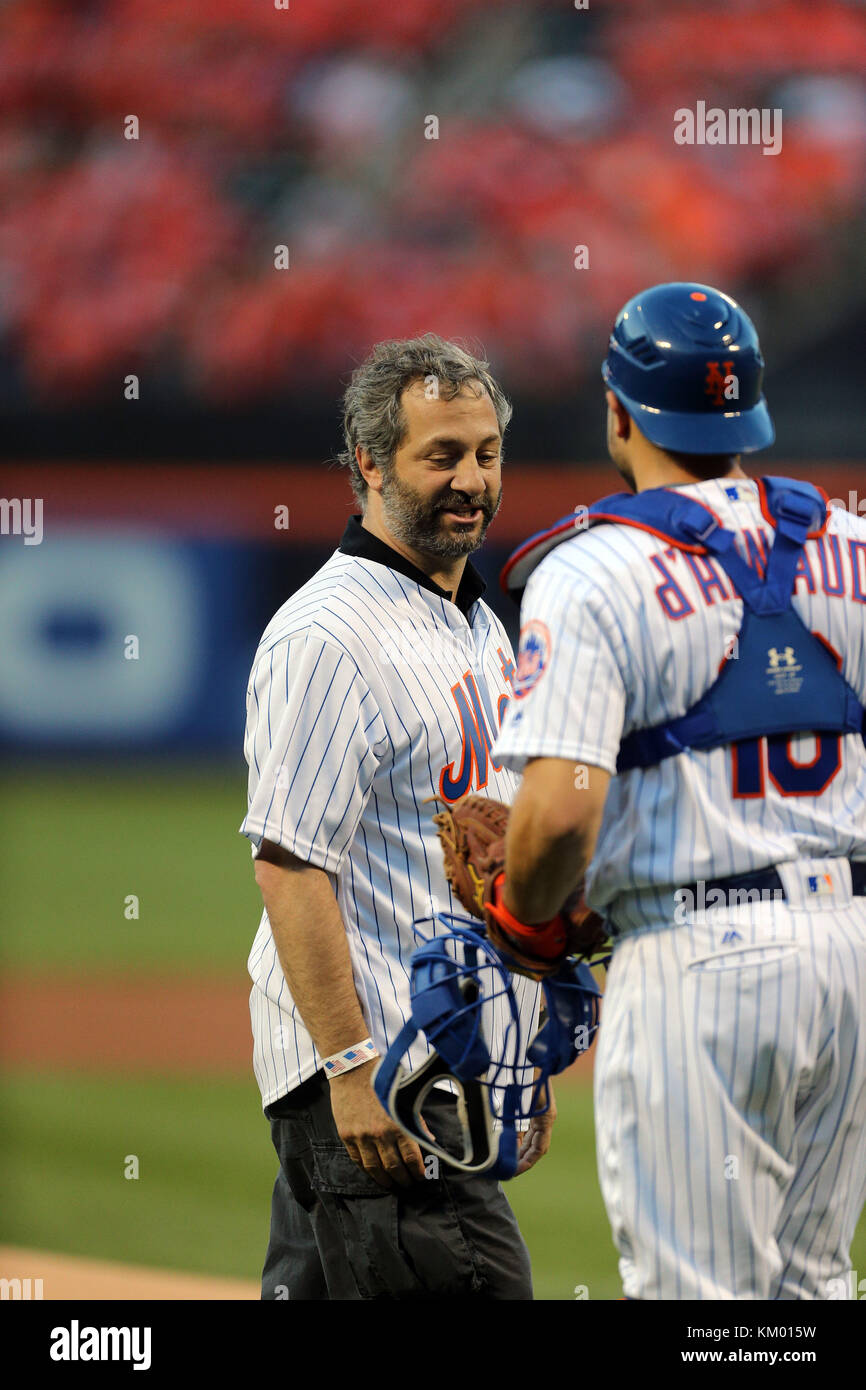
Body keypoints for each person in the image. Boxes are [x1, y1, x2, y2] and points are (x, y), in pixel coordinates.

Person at [489, 282, 866, 1300]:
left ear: (617, 411)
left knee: (698, 1303)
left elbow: (558, 814)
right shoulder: (848, 543)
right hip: (850, 955)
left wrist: (522, 924)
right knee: (808, 1287)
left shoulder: (593, 568)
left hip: (697, 958)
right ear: (747, 410)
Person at [239, 334, 545, 1300]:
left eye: (487, 453)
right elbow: (291, 864)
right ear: (368, 464)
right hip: (382, 1085)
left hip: (441, 1070)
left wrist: (517, 1064)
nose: (472, 480)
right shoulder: (329, 635)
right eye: (441, 456)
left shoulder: (477, 620)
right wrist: (350, 1069)